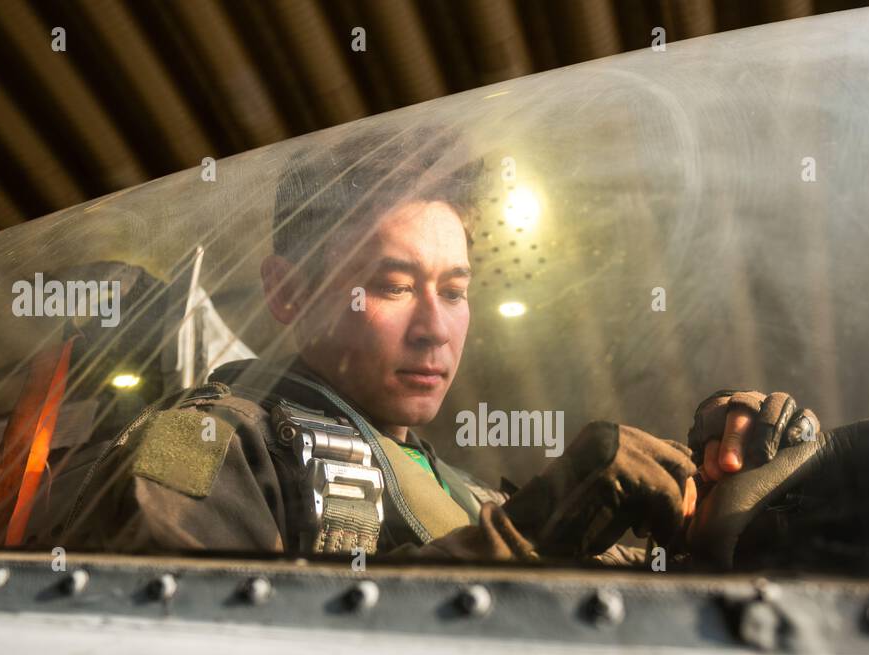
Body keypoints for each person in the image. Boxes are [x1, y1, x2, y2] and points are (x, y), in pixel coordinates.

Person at [63, 124, 818, 565]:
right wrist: (521, 541)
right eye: (394, 286)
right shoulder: (196, 442)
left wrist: (716, 490)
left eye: (454, 291)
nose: (436, 326)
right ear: (288, 292)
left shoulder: (463, 490)